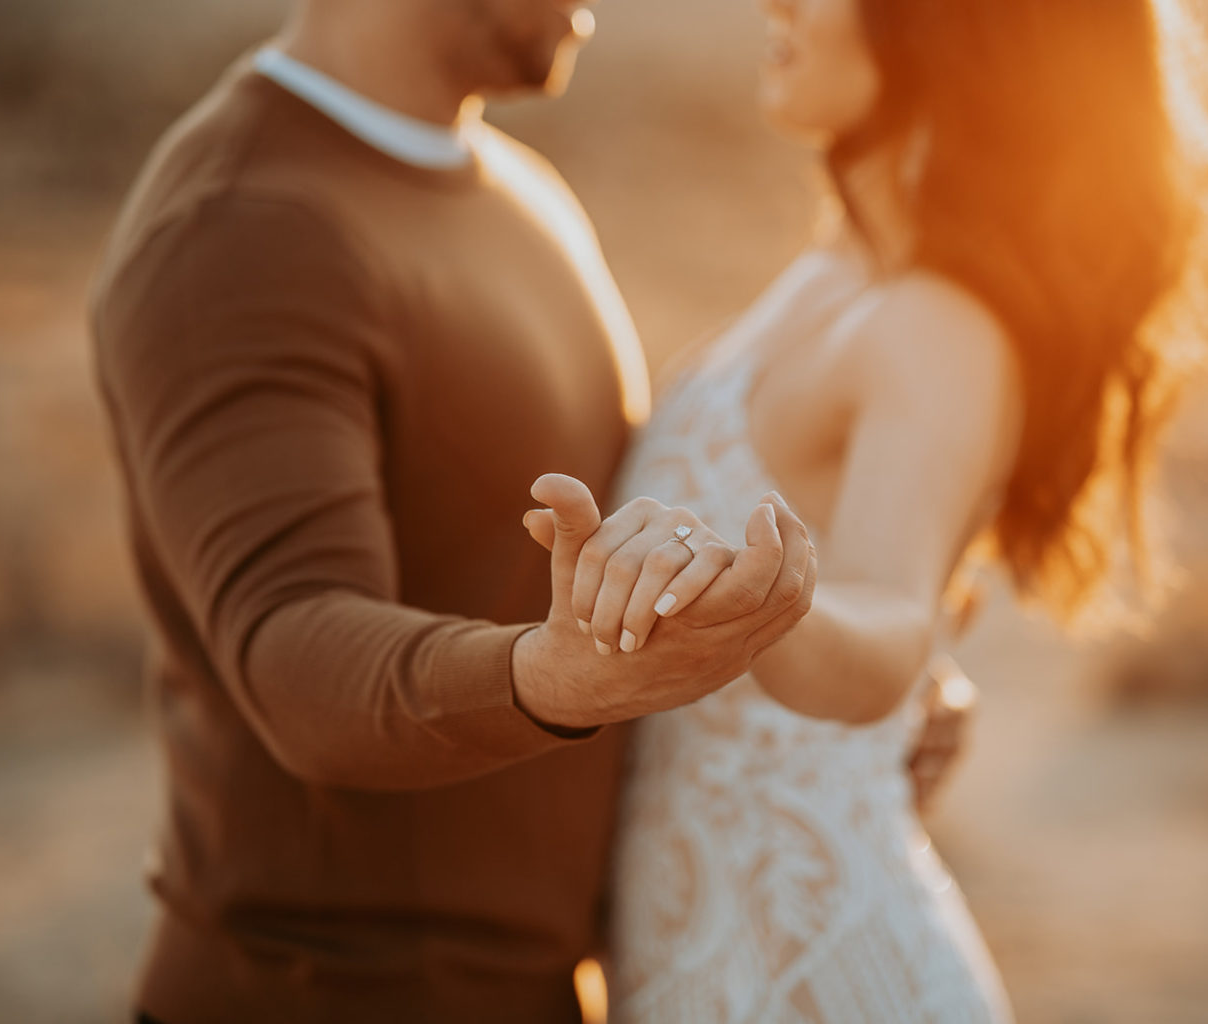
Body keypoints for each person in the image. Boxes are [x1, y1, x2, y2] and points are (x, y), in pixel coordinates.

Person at [88, 0, 831, 1020]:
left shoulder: (521, 188)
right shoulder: (240, 226)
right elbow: (292, 645)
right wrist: (551, 678)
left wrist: (832, 724)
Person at [583, 0, 1208, 1019]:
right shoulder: (832, 271)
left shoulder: (933, 327)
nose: (778, 5)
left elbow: (889, 616)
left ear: (949, 30)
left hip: (813, 972)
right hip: (703, 957)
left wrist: (757, 602)